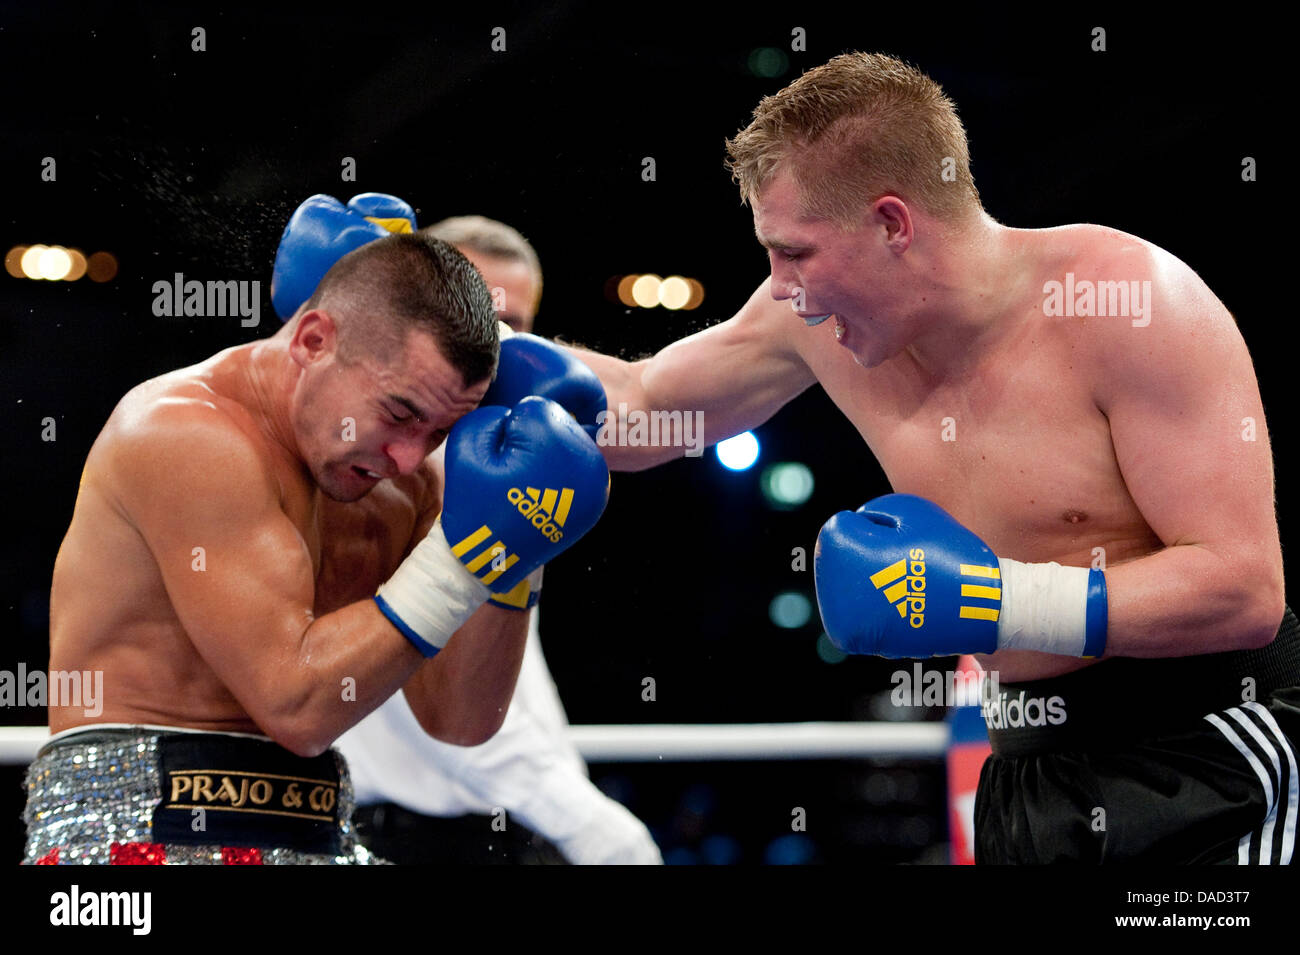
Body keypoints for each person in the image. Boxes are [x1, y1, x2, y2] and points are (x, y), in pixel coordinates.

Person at [560, 52, 1297, 863]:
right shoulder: (806, 324)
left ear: (892, 223)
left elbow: (1244, 588)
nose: (781, 286)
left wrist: (991, 601)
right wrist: (448, 342)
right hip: (1024, 775)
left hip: (1208, 757)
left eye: (796, 250)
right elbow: (641, 408)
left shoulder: (1128, 304)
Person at [24, 210, 610, 865]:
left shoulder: (403, 478)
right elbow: (297, 706)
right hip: (136, 838)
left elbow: (462, 719)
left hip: (316, 832)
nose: (409, 457)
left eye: (441, 432)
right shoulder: (184, 436)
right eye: (398, 412)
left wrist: (517, 549)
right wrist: (456, 560)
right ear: (311, 339)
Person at [330, 216, 661, 864]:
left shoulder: (506, 456)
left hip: (497, 813)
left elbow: (668, 398)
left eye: (518, 323)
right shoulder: (377, 457)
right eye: (482, 313)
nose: (499, 339)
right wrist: (599, 830)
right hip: (449, 818)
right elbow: (465, 727)